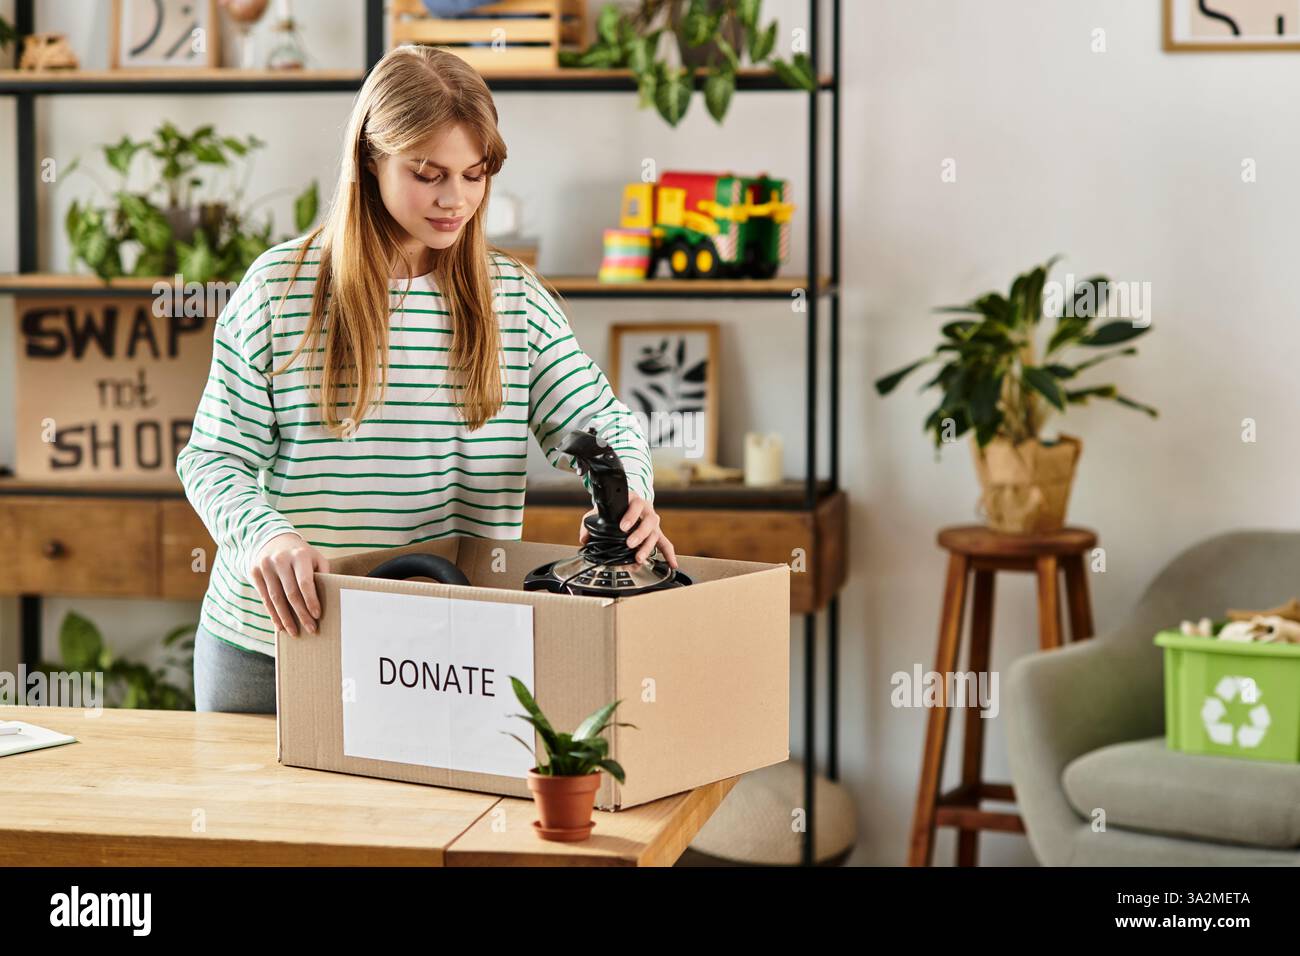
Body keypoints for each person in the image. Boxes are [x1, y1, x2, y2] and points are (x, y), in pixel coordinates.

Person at [178, 45, 676, 714]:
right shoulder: (278, 290)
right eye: (428, 173)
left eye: (474, 175)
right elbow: (213, 457)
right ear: (368, 161)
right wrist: (266, 535)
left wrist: (628, 492)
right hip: (275, 648)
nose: (456, 200)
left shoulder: (513, 299)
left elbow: (598, 427)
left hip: (447, 654)